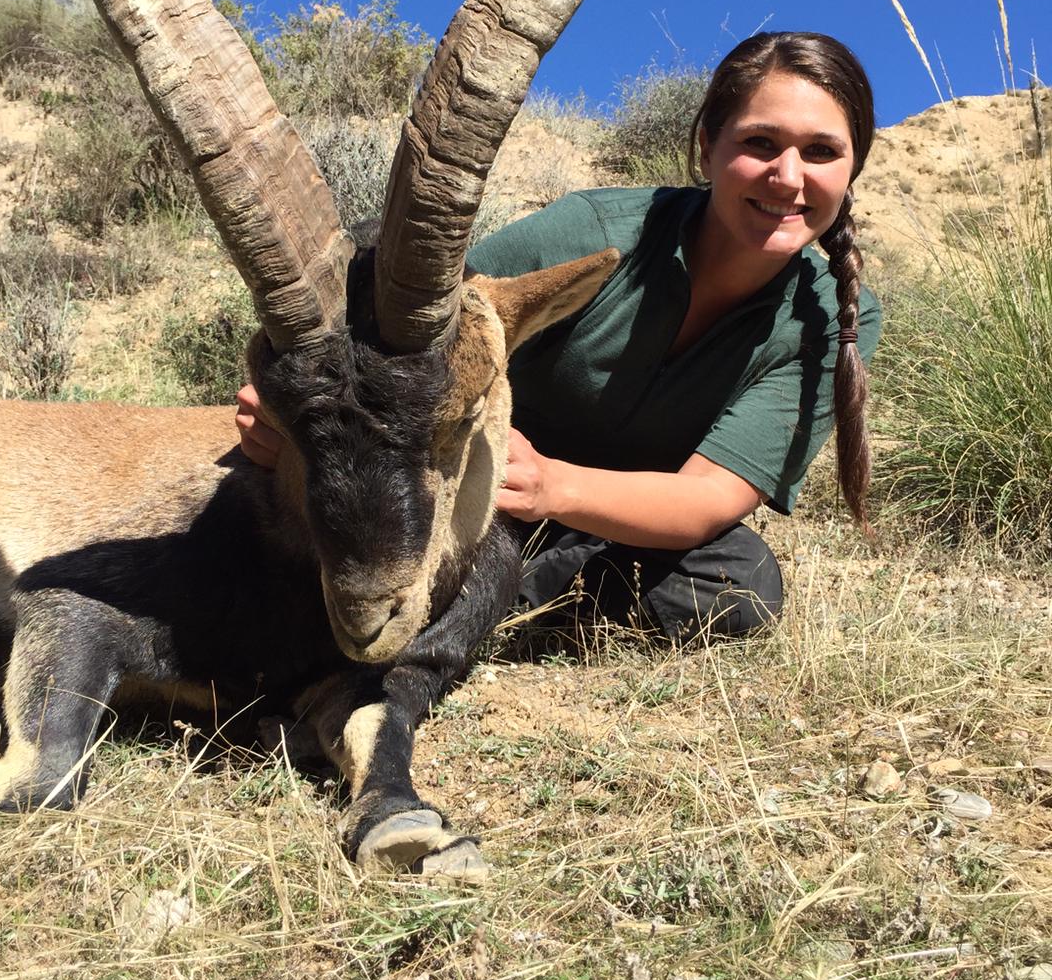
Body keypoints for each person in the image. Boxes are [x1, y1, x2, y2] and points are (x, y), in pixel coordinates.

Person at [236, 31, 879, 646]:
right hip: (460, 497)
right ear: (708, 147)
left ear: (853, 167)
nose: (787, 176)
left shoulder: (832, 317)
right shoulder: (590, 231)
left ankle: (477, 607)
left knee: (740, 583)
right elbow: (403, 323)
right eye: (760, 143)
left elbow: (709, 497)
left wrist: (551, 487)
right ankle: (444, 603)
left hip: (605, 519)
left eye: (821, 152)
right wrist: (297, 415)